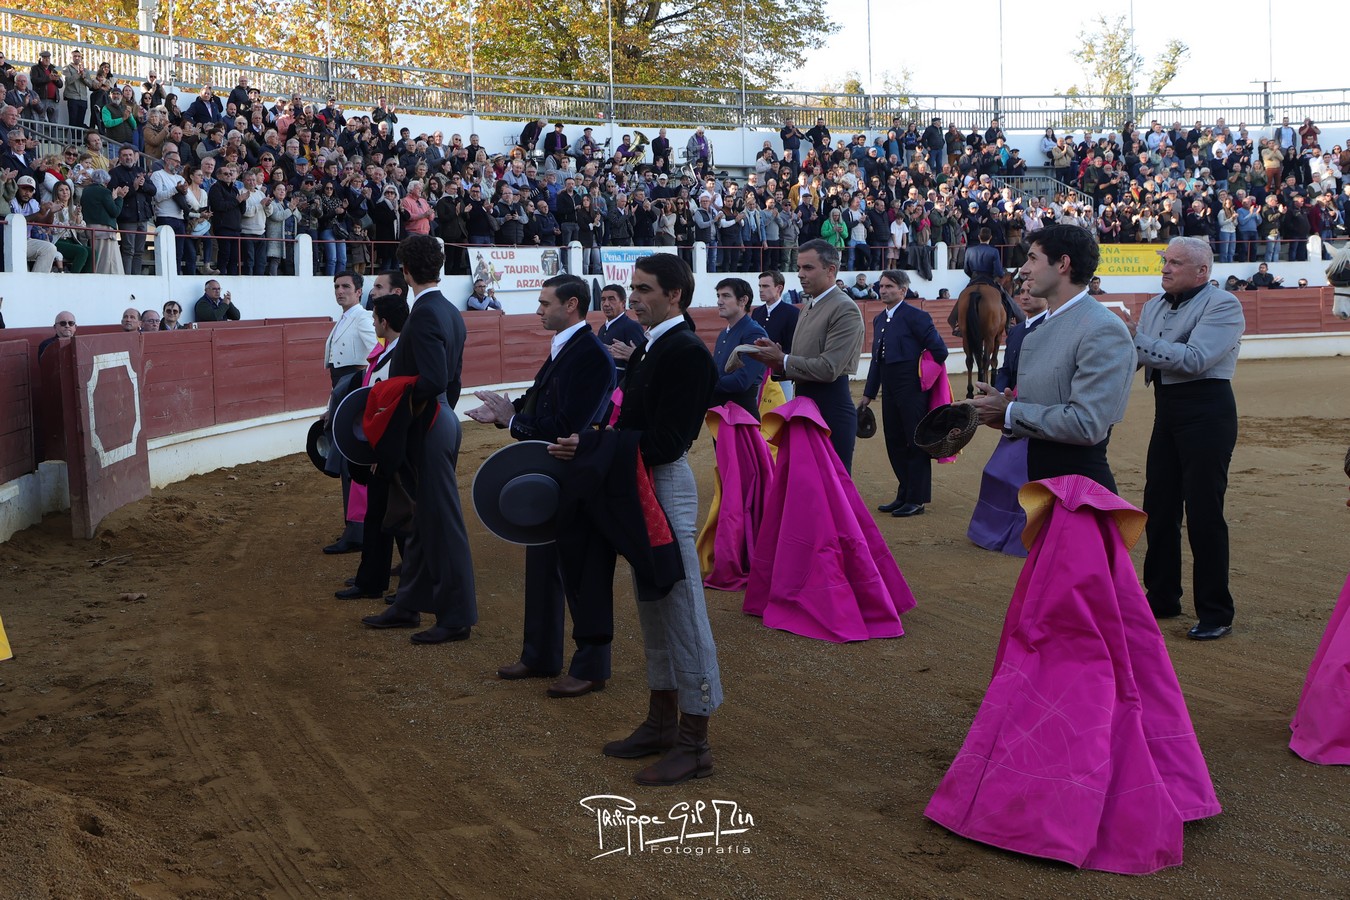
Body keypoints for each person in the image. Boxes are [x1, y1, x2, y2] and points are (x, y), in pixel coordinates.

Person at [548, 254, 720, 786]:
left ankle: (695, 741)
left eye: (644, 289)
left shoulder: (685, 351)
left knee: (682, 606)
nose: (633, 297)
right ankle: (662, 722)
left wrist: (595, 442)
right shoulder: (657, 344)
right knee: (654, 601)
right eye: (634, 287)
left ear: (674, 295)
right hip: (641, 481)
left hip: (663, 483)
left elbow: (670, 442)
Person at [467, 274, 615, 694]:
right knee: (544, 565)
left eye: (544, 303)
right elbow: (540, 401)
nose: (537, 310)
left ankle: (590, 666)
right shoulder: (570, 348)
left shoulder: (588, 355)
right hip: (555, 472)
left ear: (570, 305)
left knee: (578, 573)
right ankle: (541, 654)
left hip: (575, 474)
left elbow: (568, 425)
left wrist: (512, 421)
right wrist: (508, 409)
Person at [1124, 236, 1245, 641]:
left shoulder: (1224, 304)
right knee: (1157, 504)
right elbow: (1139, 357)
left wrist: (1135, 340)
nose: (1165, 267)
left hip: (1208, 411)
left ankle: (1215, 611)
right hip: (1168, 410)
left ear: (1202, 271)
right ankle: (1161, 596)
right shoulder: (1156, 305)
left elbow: (1194, 360)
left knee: (1204, 511)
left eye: (1175, 262)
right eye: (1165, 260)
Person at [360, 235, 477, 645]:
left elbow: (433, 379)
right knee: (425, 519)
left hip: (427, 422)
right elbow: (453, 381)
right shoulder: (449, 311)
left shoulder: (425, 313)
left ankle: (457, 616)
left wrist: (395, 401)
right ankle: (408, 603)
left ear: (405, 272)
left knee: (443, 522)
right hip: (440, 417)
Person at [965, 224, 1136, 492]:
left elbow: (1085, 424)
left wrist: (1010, 411)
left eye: (1033, 258)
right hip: (1044, 484)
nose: (1024, 269)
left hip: (1077, 491)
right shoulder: (1046, 325)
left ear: (1063, 264)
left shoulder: (1102, 328)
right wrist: (1005, 408)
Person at [745, 239, 865, 471]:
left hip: (830, 407)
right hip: (804, 405)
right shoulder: (810, 305)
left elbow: (829, 368)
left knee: (831, 490)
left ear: (831, 270)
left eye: (808, 268)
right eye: (799, 267)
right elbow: (802, 359)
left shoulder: (844, 308)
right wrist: (777, 358)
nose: (800, 274)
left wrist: (783, 360)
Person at [966, 282, 1049, 556]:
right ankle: (993, 530)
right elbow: (1005, 368)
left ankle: (1021, 534)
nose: (1024, 295)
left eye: (1030, 291)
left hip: (1034, 409)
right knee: (998, 472)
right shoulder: (1015, 331)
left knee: (1018, 475)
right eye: (1021, 292)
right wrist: (1001, 394)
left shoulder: (1050, 329)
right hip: (1012, 407)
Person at [859, 270, 949, 517]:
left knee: (915, 441)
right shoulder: (879, 320)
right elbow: (877, 361)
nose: (883, 290)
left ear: (903, 290)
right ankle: (904, 493)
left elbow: (939, 351)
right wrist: (868, 394)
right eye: (882, 286)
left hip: (912, 389)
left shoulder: (916, 317)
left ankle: (916, 499)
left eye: (889, 286)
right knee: (894, 440)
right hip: (889, 388)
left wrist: (923, 378)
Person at [323, 271, 379, 555]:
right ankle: (354, 526)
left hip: (354, 394)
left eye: (346, 286)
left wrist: (361, 398)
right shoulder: (345, 319)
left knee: (351, 462)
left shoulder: (362, 317)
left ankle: (357, 529)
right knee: (348, 461)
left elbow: (375, 358)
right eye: (336, 286)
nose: (339, 291)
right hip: (343, 391)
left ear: (359, 292)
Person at [710, 277, 768, 419]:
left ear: (743, 300)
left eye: (726, 296)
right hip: (722, 412)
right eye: (718, 296)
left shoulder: (754, 333)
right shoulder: (725, 332)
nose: (719, 301)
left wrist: (706, 383)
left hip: (742, 415)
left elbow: (742, 381)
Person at [751, 270, 799, 401]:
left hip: (781, 373)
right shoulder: (757, 312)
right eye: (760, 286)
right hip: (758, 372)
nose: (761, 290)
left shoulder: (792, 313)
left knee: (781, 409)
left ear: (779, 288)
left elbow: (794, 346)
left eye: (765, 286)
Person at [595, 282, 643, 379]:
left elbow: (643, 363)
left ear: (623, 303)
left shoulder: (632, 327)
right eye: (603, 299)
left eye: (611, 299)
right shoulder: (602, 328)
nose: (606, 304)